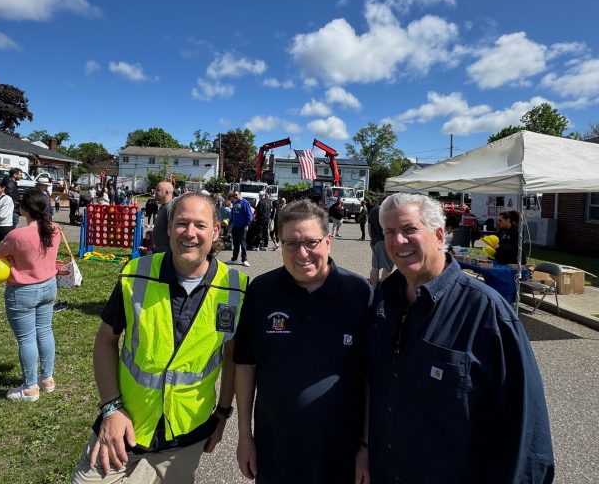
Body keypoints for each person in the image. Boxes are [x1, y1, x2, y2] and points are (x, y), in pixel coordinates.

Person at [366, 193, 554, 484]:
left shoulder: (486, 312)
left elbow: (527, 433)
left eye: (409, 229)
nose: (398, 241)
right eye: (390, 232)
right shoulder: (383, 302)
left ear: (439, 235)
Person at [71, 192, 248, 483]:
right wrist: (111, 408)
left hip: (187, 433)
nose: (189, 233)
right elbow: (105, 340)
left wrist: (223, 414)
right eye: (181, 223)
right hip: (125, 423)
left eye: (200, 225)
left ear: (216, 230)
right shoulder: (135, 274)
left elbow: (232, 356)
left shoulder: (236, 288)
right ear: (168, 228)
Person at [233, 199, 372, 484]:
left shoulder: (359, 293)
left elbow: (372, 375)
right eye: (291, 244)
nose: (303, 253)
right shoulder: (261, 291)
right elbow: (246, 366)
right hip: (276, 448)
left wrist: (367, 446)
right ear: (279, 244)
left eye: (311, 242)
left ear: (329, 241)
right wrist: (245, 437)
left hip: (340, 450)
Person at [0, 190, 61, 402]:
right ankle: (47, 379)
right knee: (45, 331)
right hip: (49, 286)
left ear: (24, 209)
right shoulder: (55, 230)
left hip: (22, 291)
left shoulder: (16, 235)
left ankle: (30, 387)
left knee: (26, 338)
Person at [368, 199, 393, 287]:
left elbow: (369, 227)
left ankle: (374, 288)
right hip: (384, 240)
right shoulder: (387, 211)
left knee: (375, 267)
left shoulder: (373, 211)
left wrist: (372, 239)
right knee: (387, 268)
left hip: (374, 241)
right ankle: (383, 291)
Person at [229, 191, 253, 267]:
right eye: (234, 195)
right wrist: (230, 223)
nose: (235, 196)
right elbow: (232, 214)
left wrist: (247, 225)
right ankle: (234, 259)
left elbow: (249, 215)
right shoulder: (235, 203)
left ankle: (244, 260)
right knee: (235, 244)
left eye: (236, 195)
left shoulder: (245, 203)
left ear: (240, 194)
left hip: (242, 227)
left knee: (243, 244)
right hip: (235, 227)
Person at [151, 181, 174, 254]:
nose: (155, 192)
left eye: (158, 190)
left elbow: (173, 232)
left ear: (166, 193)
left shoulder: (170, 208)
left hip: (165, 252)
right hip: (159, 249)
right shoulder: (163, 206)